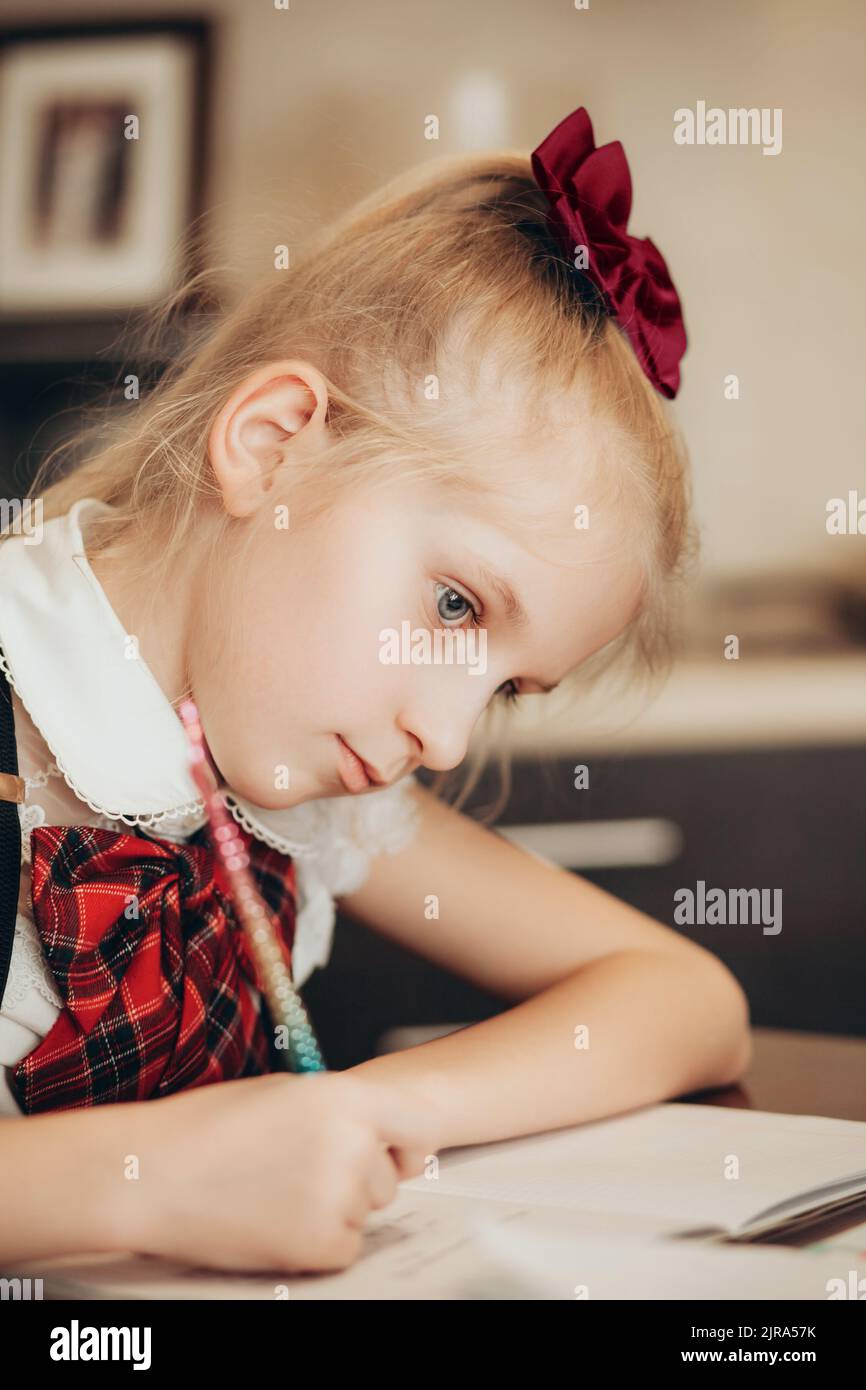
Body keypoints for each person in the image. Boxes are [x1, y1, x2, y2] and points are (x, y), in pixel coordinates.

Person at [0, 107, 751, 1275]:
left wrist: (361, 1116)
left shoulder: (301, 782)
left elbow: (687, 998)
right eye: (455, 605)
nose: (444, 737)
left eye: (506, 689)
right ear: (274, 443)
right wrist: (159, 1180)